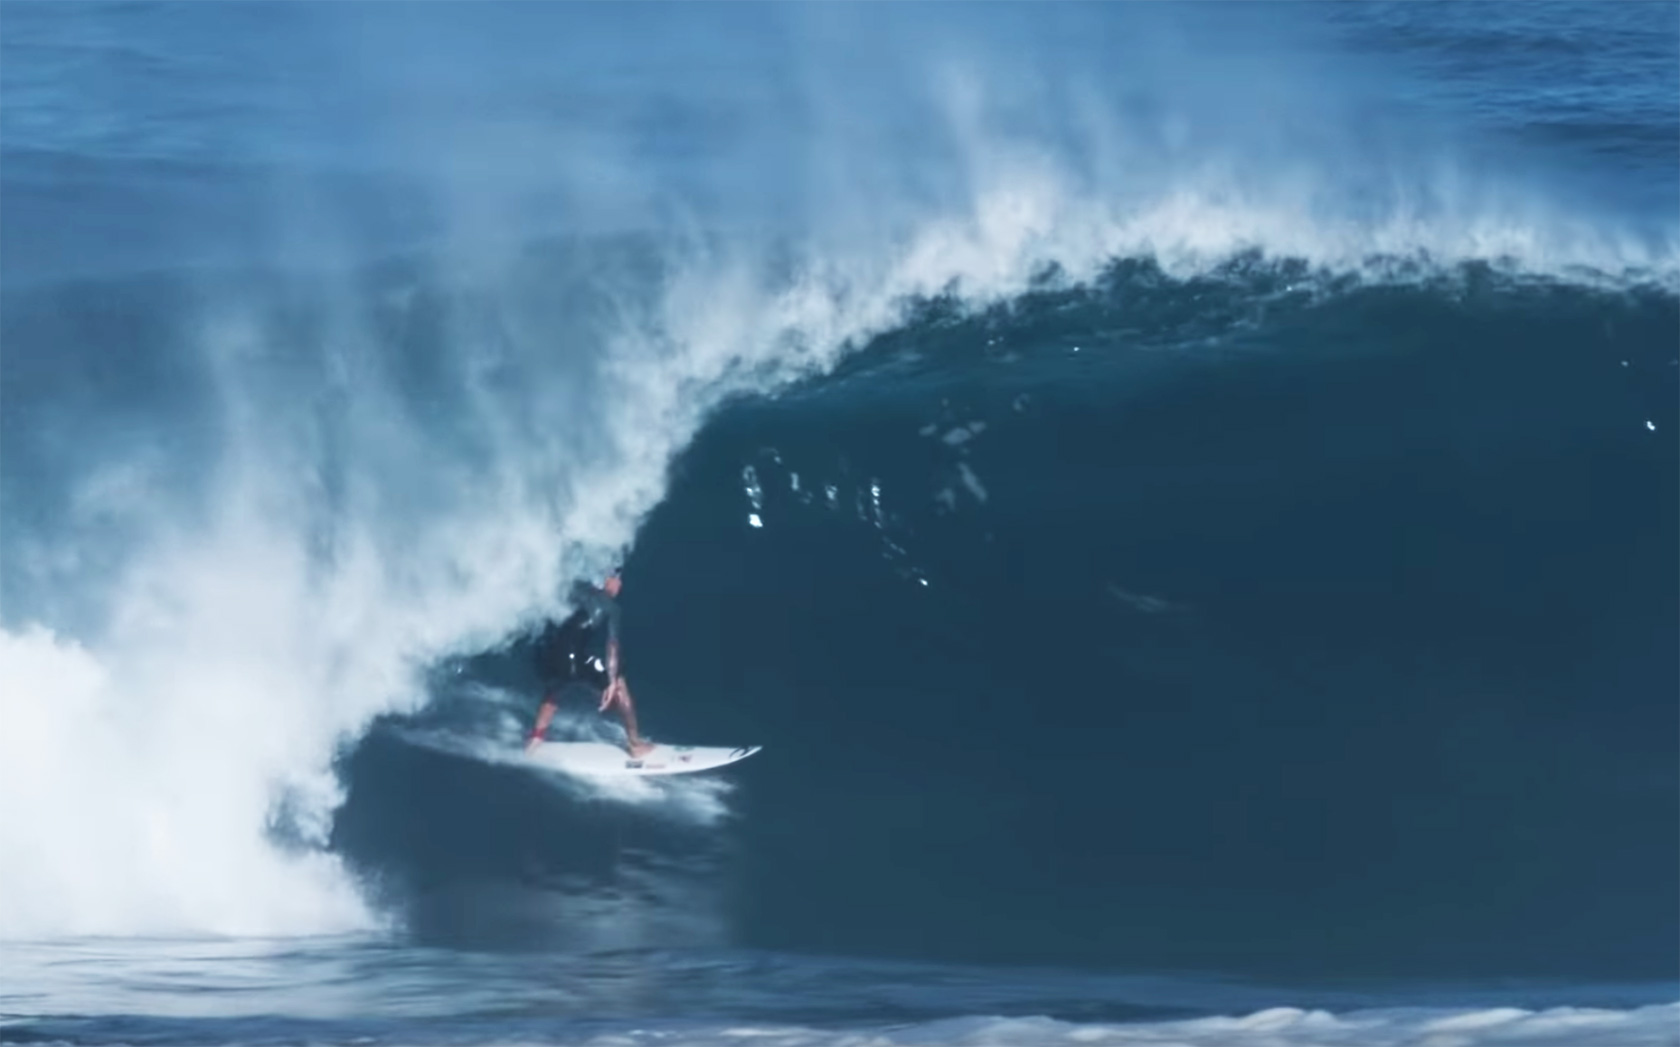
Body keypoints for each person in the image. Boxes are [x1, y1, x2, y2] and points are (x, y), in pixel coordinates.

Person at [525, 569, 654, 757]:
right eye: (616, 579)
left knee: (553, 689)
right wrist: (611, 680)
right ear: (606, 581)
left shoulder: (577, 592)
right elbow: (612, 645)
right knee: (619, 684)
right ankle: (635, 745)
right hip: (575, 661)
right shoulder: (611, 607)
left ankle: (535, 739)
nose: (620, 584)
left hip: (549, 657)